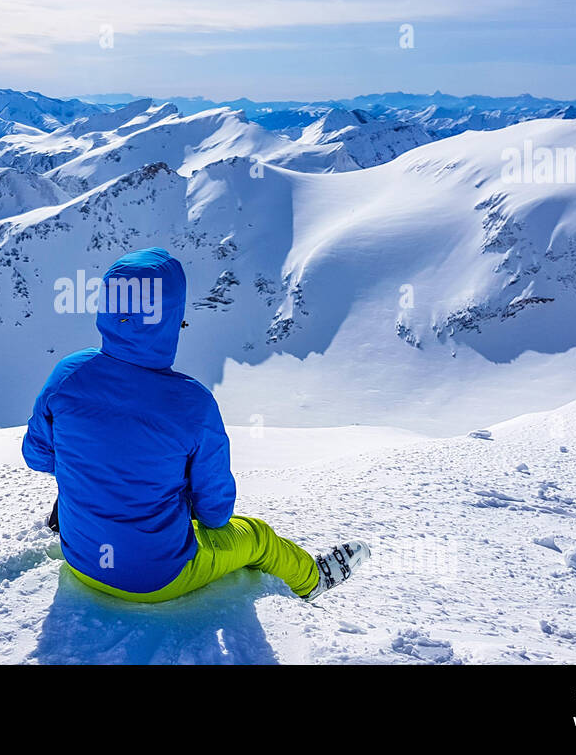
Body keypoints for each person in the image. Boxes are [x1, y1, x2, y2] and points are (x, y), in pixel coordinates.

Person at [22, 247, 368, 603]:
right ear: (171, 320)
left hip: (81, 560)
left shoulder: (68, 373)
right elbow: (216, 514)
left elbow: (37, 456)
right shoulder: (193, 403)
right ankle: (312, 578)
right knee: (258, 537)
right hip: (157, 579)